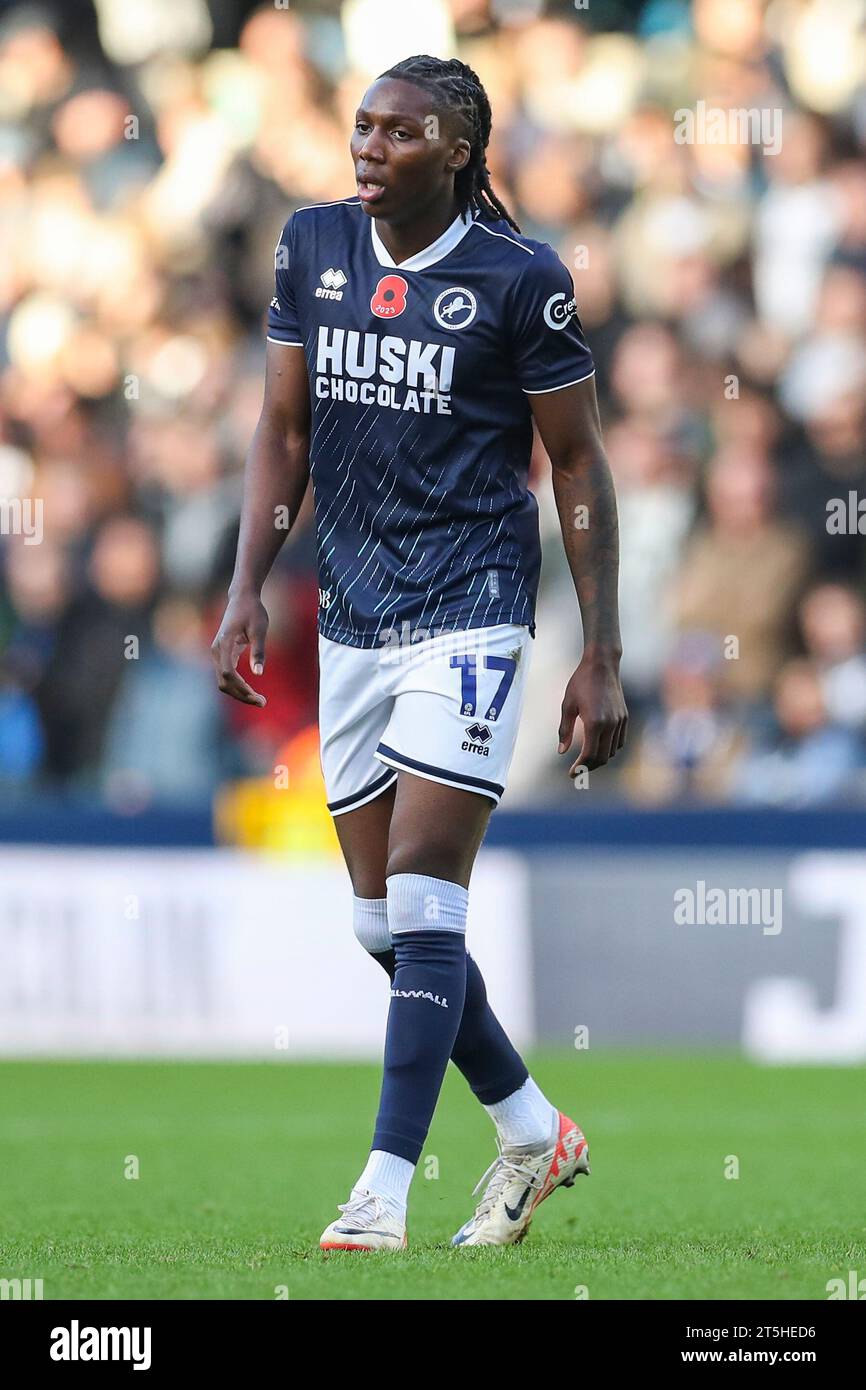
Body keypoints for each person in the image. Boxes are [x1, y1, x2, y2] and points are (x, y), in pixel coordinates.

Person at [211, 55, 627, 1251]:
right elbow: (282, 429)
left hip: (474, 606)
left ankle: (381, 1189)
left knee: (427, 892)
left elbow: (581, 463)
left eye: (399, 132)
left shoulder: (520, 281)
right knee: (383, 929)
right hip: (351, 615)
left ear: (455, 150)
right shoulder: (309, 246)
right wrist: (245, 587)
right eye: (362, 125)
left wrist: (596, 651)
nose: (369, 145)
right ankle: (531, 1125)